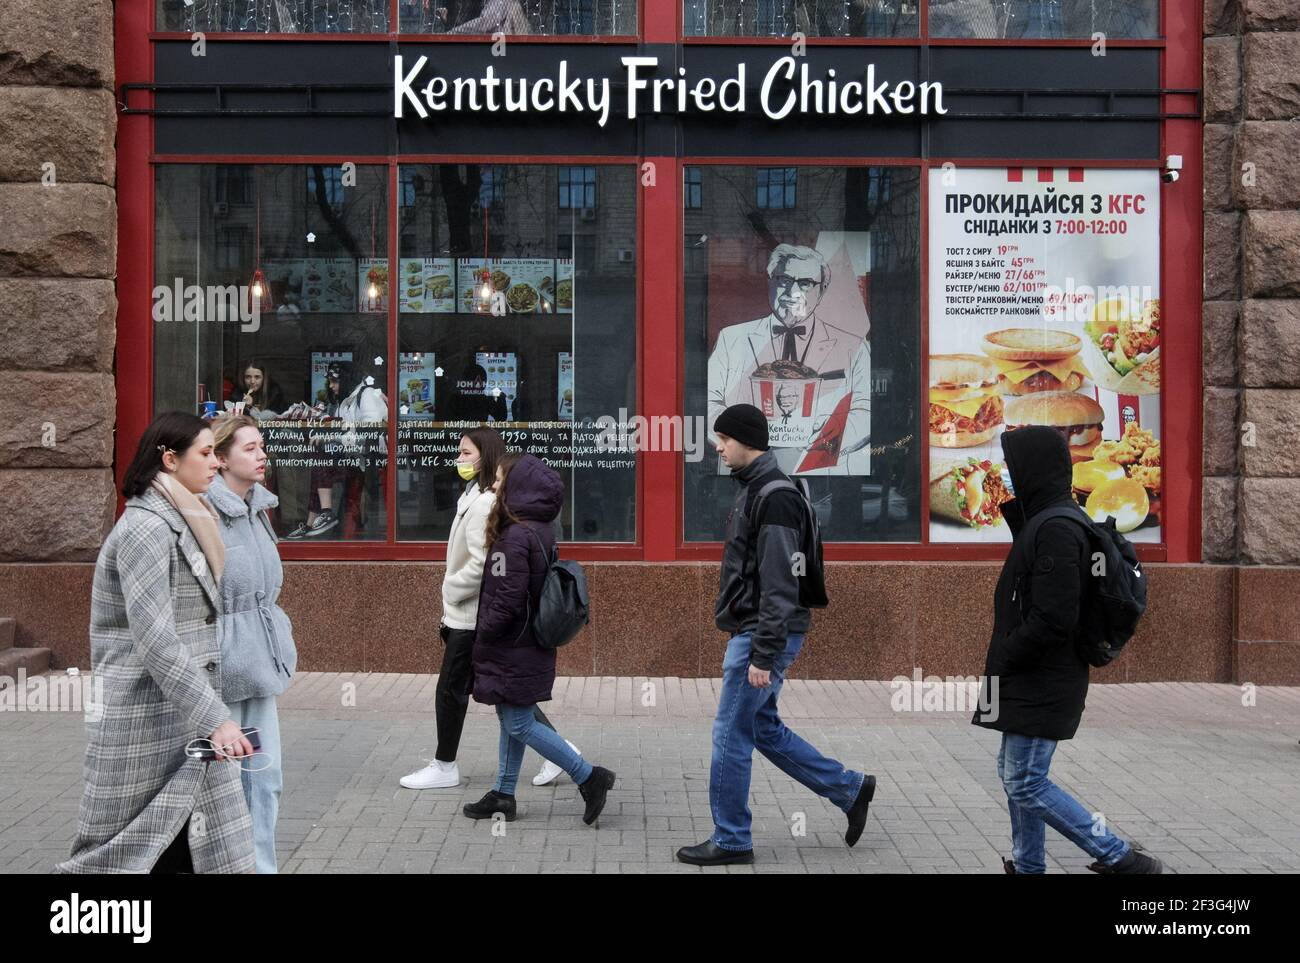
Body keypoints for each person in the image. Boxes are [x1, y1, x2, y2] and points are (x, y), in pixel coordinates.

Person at [57, 412, 255, 874]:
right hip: (144, 719)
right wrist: (216, 719)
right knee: (120, 852)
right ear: (169, 459)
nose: (214, 463)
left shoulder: (187, 515)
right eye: (204, 454)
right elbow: (156, 638)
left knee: (199, 847)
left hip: (183, 720)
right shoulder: (146, 527)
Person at [677, 403, 875, 866]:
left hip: (762, 635)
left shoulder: (774, 495)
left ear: (747, 440)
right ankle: (849, 788)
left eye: (724, 440)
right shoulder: (757, 489)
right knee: (761, 727)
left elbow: (781, 583)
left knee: (730, 735)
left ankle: (731, 838)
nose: (719, 449)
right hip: (759, 630)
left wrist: (762, 654)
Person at [973, 425, 1161, 874]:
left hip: (1043, 675)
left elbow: (1054, 618)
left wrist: (1007, 655)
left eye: (1013, 466)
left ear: (1033, 469)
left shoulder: (1057, 527)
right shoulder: (1048, 519)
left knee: (1025, 781)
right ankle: (1028, 865)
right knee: (1014, 775)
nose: (1007, 473)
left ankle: (1120, 856)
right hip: (1031, 675)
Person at [401, 429, 579, 791]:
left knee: (457, 689)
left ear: (486, 456)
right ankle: (549, 756)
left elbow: (487, 563)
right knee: (506, 696)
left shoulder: (485, 502)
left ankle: (445, 765)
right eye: (459, 451)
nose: (460, 459)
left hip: (473, 613)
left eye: (466, 452)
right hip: (470, 613)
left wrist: (451, 587)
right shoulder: (474, 496)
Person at [463, 453, 615, 824]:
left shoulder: (513, 537)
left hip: (512, 644)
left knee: (517, 722)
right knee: (512, 714)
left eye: (499, 480)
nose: (493, 485)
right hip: (528, 643)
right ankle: (503, 792)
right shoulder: (538, 529)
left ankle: (588, 776)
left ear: (517, 487)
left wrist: (483, 634)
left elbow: (507, 599)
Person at [206, 413, 298, 873]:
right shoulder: (203, 514)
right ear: (220, 459)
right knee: (222, 786)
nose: (262, 455)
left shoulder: (258, 508)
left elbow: (265, 586)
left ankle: (261, 868)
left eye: (262, 446)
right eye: (249, 448)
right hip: (220, 671)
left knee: (264, 780)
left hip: (259, 666)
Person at [706, 244, 871, 475]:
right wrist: (746, 445)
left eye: (805, 283)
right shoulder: (730, 339)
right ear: (769, 282)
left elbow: (865, 412)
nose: (792, 292)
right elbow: (709, 406)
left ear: (821, 290)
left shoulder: (855, 347)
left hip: (824, 474)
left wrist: (822, 443)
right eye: (783, 280)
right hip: (745, 474)